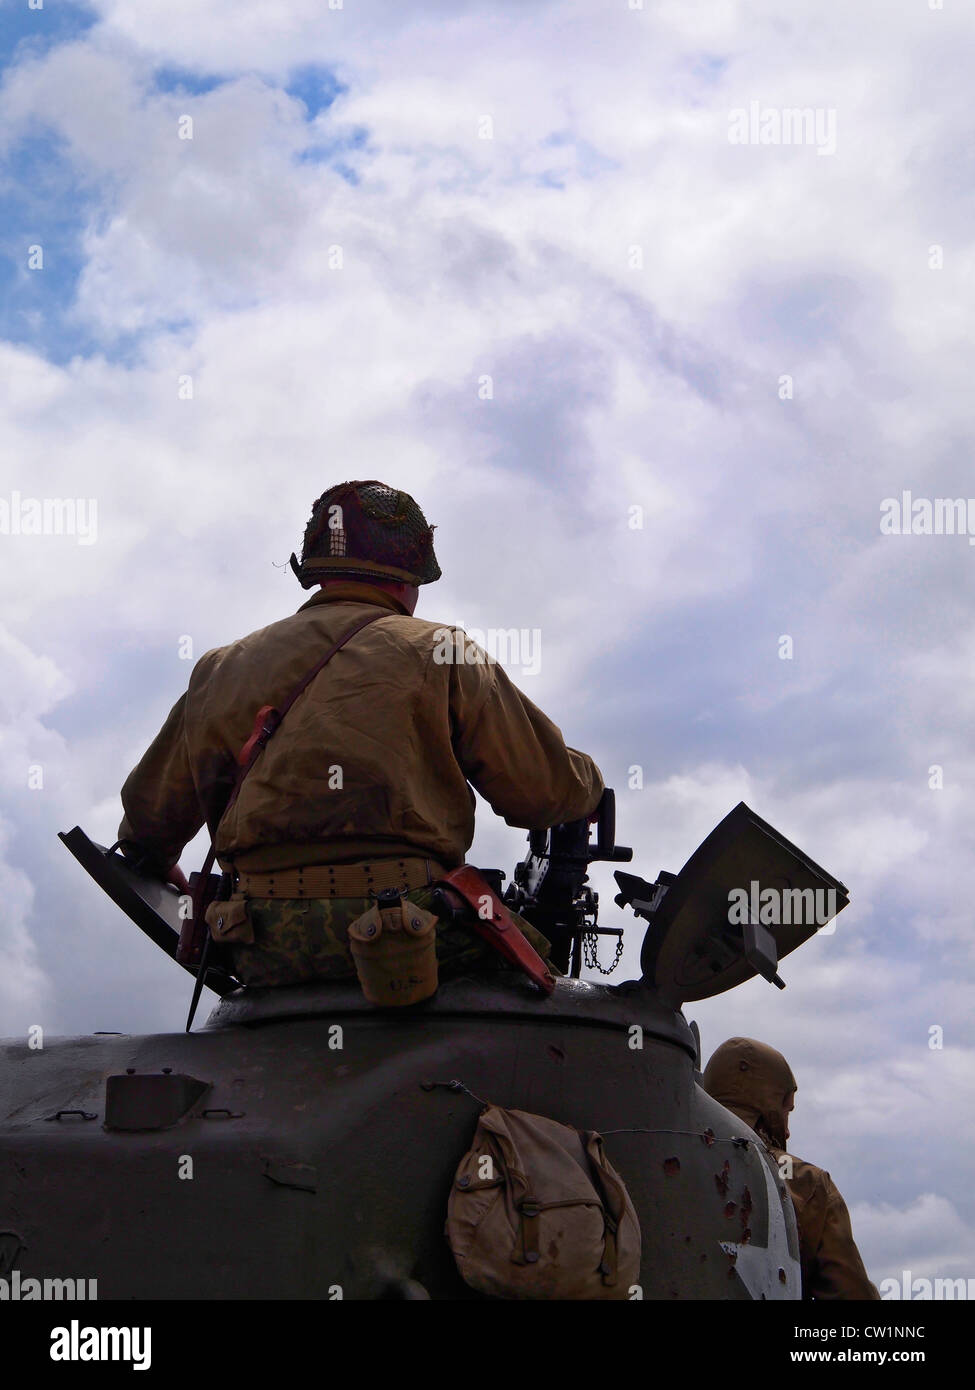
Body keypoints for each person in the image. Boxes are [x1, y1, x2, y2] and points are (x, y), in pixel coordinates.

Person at [117, 479, 604, 988]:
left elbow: (147, 824)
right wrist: (588, 782)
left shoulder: (219, 669)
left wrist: (162, 862)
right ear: (408, 581)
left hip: (259, 947)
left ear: (316, 570)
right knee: (552, 1003)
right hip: (407, 938)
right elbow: (542, 793)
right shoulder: (441, 648)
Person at [701, 1036, 880, 1300]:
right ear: (768, 1108)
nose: (786, 1130)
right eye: (786, 1111)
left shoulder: (661, 1167)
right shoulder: (808, 1184)